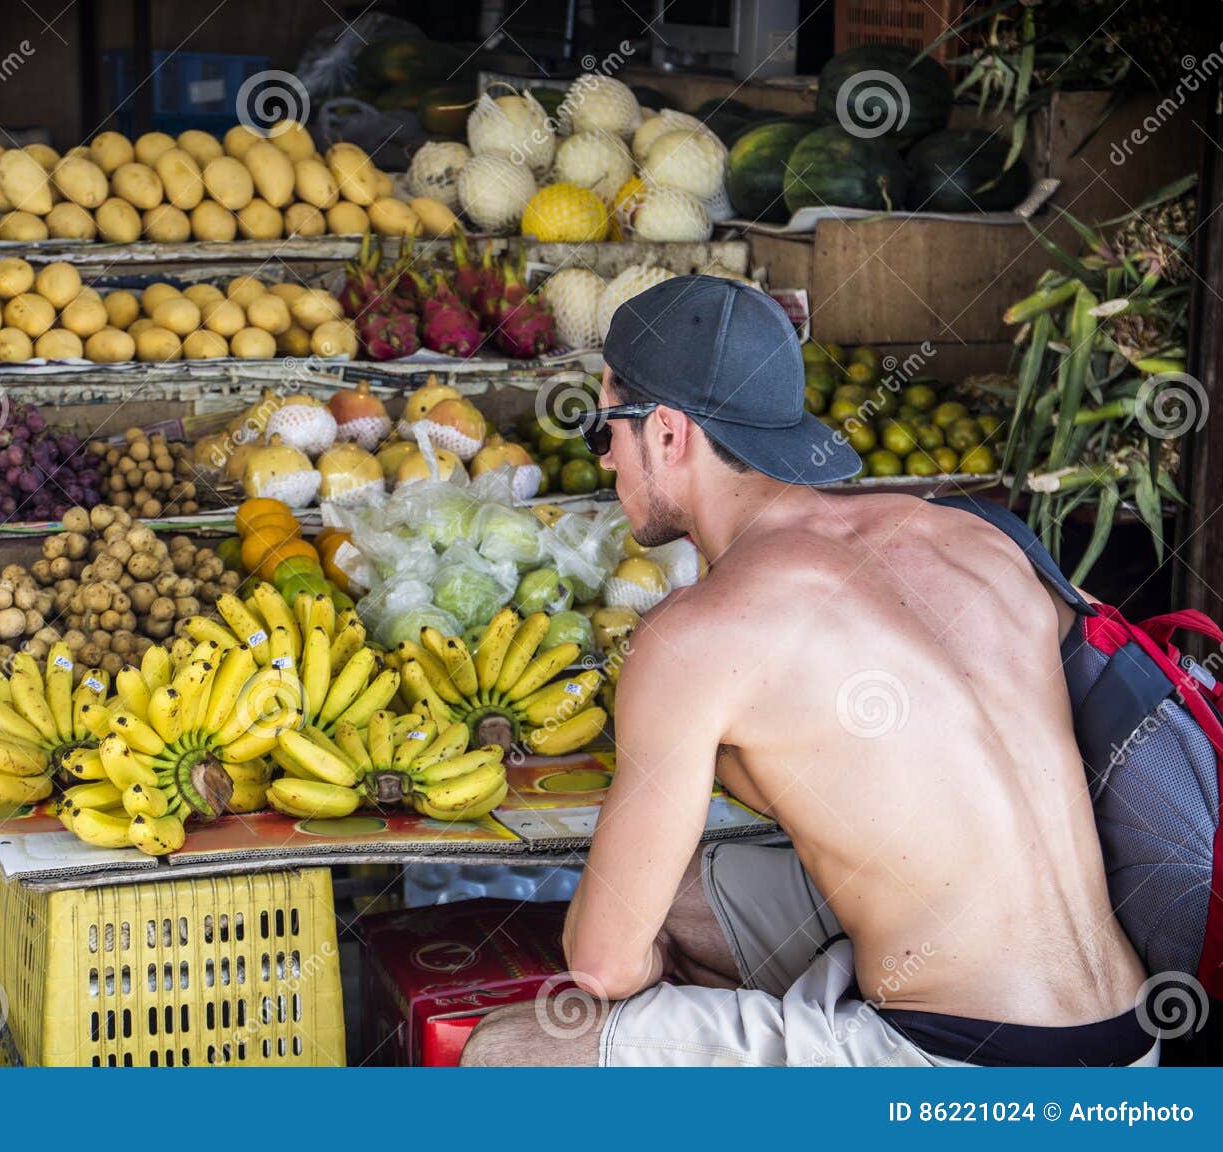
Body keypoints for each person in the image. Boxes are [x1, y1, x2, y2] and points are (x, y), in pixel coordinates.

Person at [460, 275, 1155, 1067]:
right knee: (684, 899)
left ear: (665, 432)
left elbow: (603, 964)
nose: (605, 455)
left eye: (602, 427)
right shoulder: (976, 537)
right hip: (1130, 1038)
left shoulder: (695, 636)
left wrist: (647, 981)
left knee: (512, 1052)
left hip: (967, 1070)